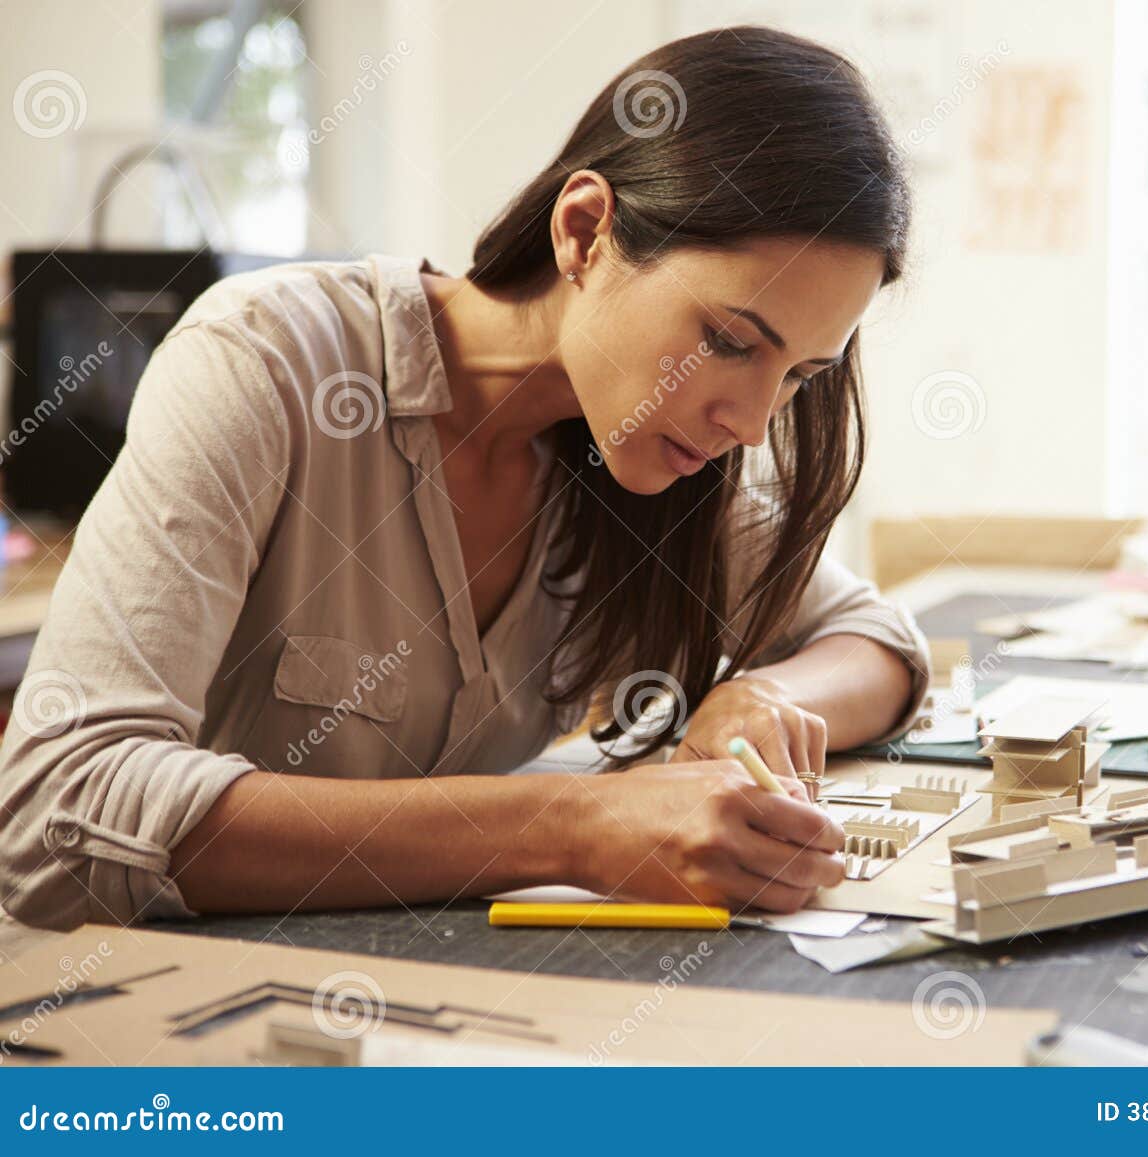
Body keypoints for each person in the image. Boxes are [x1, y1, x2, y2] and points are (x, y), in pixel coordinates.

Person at [0, 26, 928, 931]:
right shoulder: (270, 362)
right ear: (585, 231)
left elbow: (875, 638)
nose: (753, 422)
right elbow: (57, 809)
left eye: (800, 374)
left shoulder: (650, 453)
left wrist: (766, 697)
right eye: (728, 341)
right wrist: (574, 827)